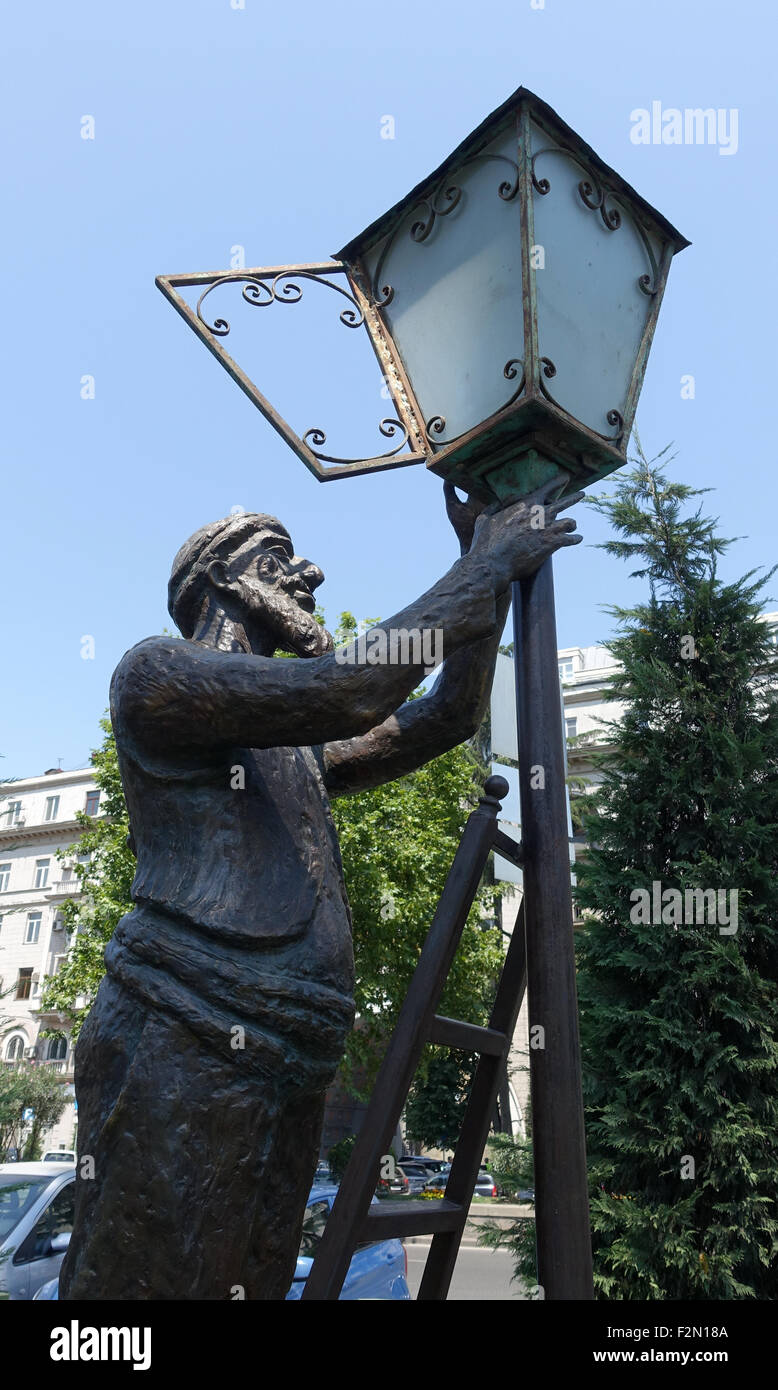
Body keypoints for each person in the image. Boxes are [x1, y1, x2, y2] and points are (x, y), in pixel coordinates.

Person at [59, 482, 581, 1300]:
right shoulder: (154, 675)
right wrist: (482, 569)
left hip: (292, 1054)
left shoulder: (291, 750)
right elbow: (348, 689)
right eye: (281, 560)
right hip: (187, 1034)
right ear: (227, 582)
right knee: (156, 1286)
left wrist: (471, 559)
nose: (312, 574)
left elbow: (444, 717)